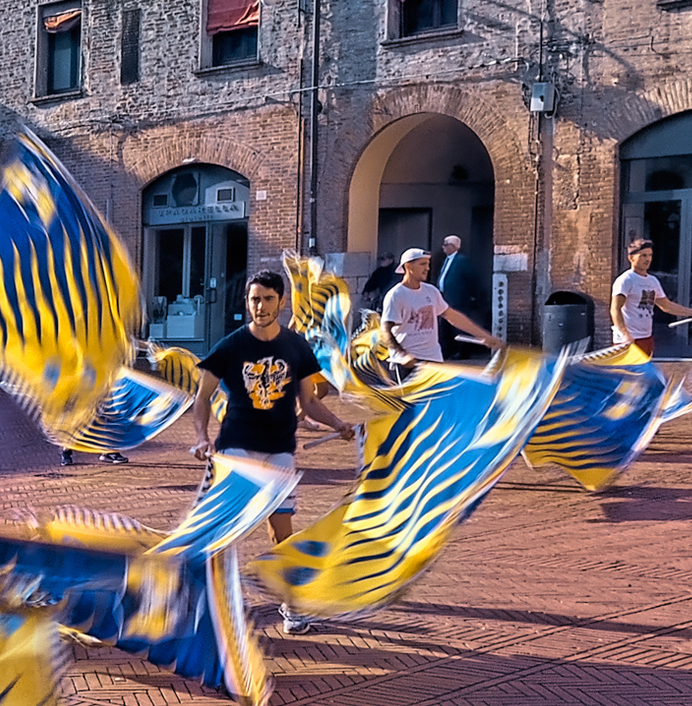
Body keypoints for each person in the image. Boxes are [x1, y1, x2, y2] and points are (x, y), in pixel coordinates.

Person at [189, 270, 358, 635]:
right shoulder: (230, 346)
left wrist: (338, 424)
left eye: (268, 299)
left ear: (281, 302)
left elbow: (309, 402)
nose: (260, 306)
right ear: (246, 302)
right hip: (237, 449)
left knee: (282, 531)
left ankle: (291, 605)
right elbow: (201, 398)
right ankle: (215, 602)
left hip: (280, 450)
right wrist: (202, 437)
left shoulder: (297, 347)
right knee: (225, 529)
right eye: (254, 299)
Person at [381, 247, 501, 371]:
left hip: (434, 361)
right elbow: (385, 330)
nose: (427, 268)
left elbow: (453, 316)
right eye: (422, 264)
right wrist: (402, 355)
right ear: (408, 266)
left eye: (428, 264)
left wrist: (484, 336)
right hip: (408, 364)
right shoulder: (396, 295)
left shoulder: (431, 291)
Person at [611, 238, 692, 354]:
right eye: (643, 255)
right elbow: (615, 309)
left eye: (650, 255)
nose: (647, 259)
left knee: (645, 366)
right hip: (628, 340)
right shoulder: (625, 280)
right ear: (631, 258)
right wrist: (625, 334)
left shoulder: (653, 281)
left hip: (646, 338)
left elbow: (666, 305)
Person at [434, 236, 486, 360]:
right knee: (444, 326)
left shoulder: (461, 260)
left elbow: (471, 278)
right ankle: (446, 351)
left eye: (446, 244)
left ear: (453, 246)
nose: (443, 247)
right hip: (445, 298)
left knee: (459, 327)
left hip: (458, 299)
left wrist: (471, 295)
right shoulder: (446, 260)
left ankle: (462, 351)